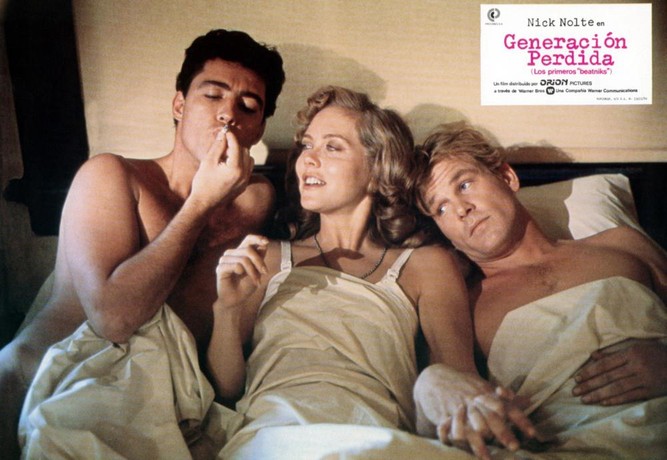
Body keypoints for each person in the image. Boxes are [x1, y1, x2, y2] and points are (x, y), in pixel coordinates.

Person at [0, 29, 285, 458]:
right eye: (213, 95)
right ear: (179, 105)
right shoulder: (111, 175)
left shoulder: (256, 200)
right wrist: (201, 202)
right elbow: (113, 320)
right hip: (55, 368)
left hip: (167, 392)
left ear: (259, 128)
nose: (229, 114)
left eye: (248, 106)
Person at [207, 87, 535, 459]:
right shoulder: (265, 257)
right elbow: (227, 389)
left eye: (332, 147)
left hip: (377, 441)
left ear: (377, 172)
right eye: (307, 145)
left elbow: (457, 383)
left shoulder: (426, 265)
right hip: (274, 437)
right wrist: (227, 309)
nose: (308, 159)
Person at [414, 121, 667, 458]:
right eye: (441, 208)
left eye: (464, 184)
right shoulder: (464, 304)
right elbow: (451, 413)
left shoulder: (621, 244)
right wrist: (431, 385)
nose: (461, 209)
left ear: (507, 178)